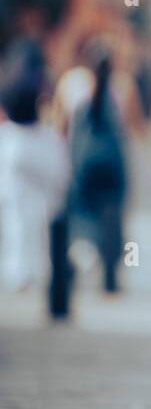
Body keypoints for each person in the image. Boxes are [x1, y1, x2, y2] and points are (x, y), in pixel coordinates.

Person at [0, 52, 69, 294]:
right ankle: (32, 273)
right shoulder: (45, 139)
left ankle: (20, 274)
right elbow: (59, 176)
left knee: (17, 226)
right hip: (37, 186)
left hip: (15, 182)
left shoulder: (8, 137)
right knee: (35, 228)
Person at [67, 47, 128, 295]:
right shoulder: (123, 88)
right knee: (112, 216)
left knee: (82, 216)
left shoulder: (73, 85)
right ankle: (110, 277)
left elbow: (63, 128)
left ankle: (79, 260)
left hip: (85, 165)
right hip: (112, 165)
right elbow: (134, 126)